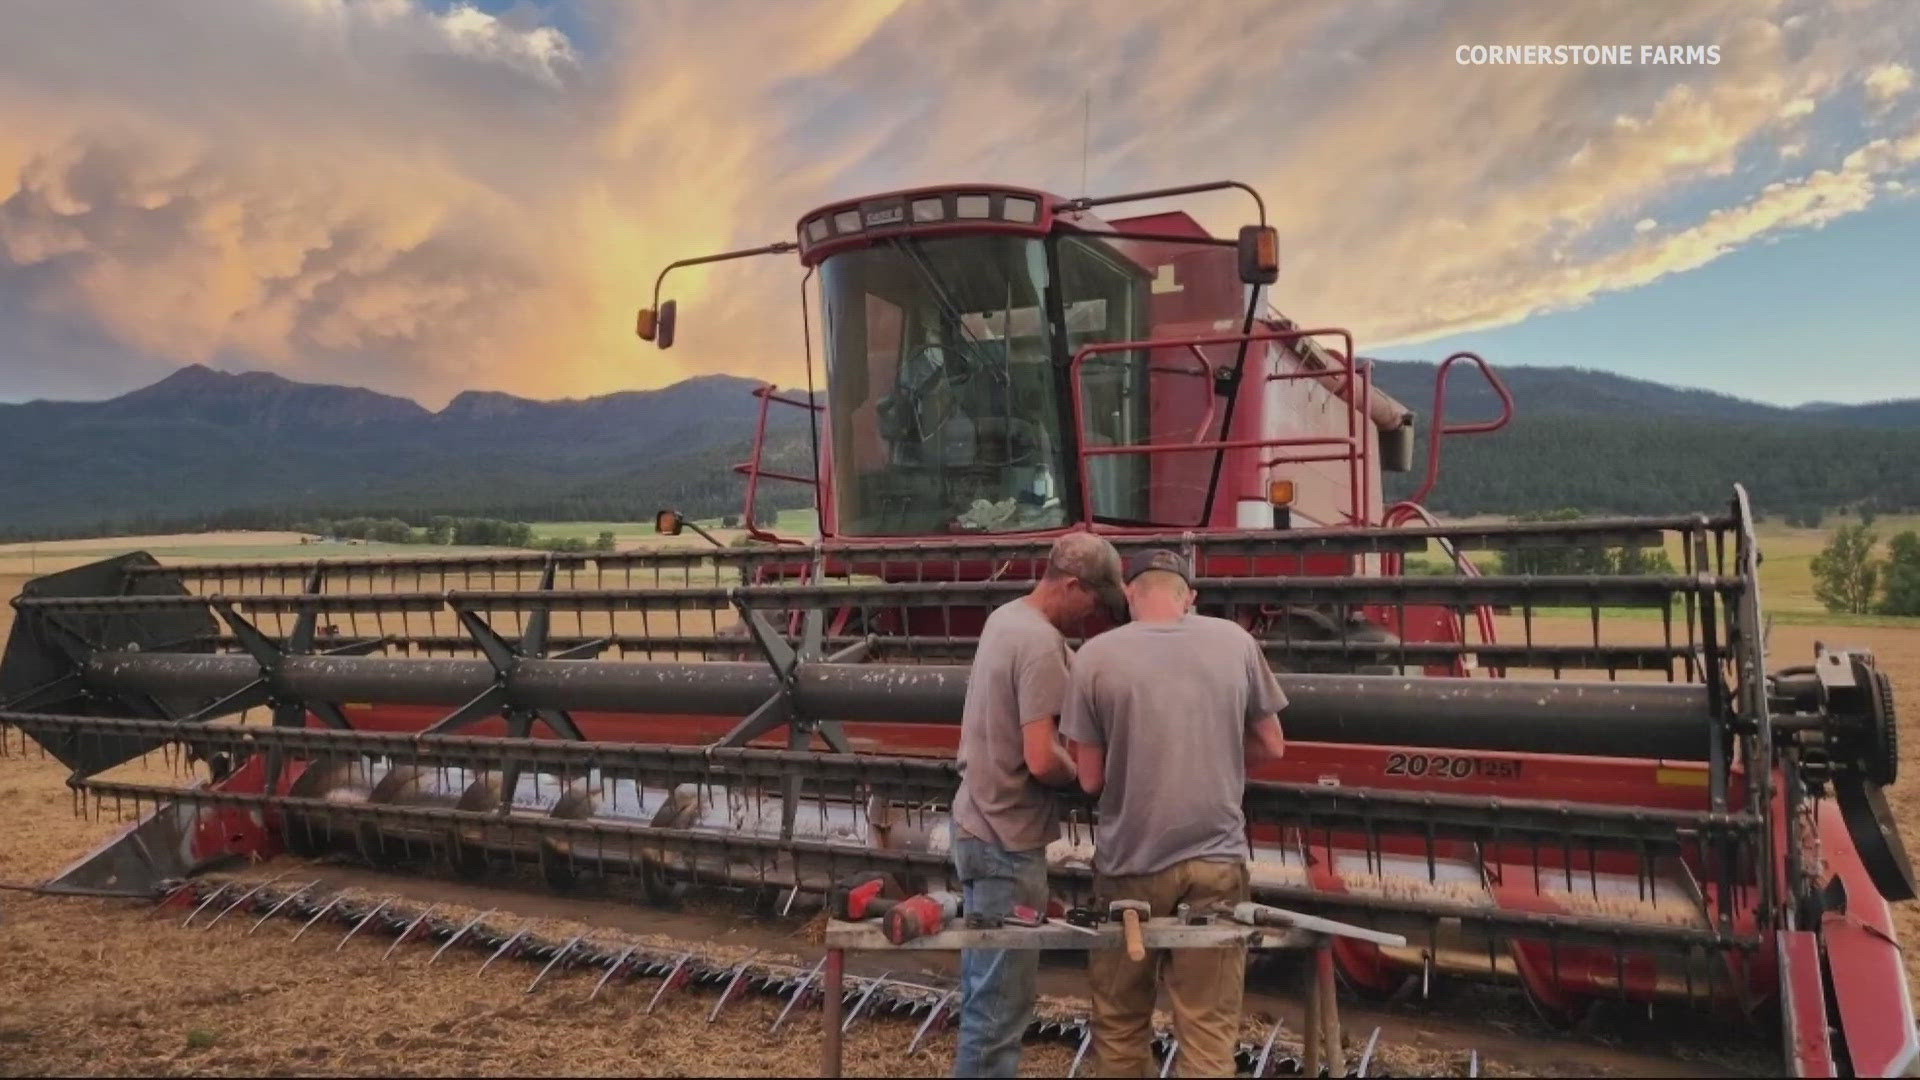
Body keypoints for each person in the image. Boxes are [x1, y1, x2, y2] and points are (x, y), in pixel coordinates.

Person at [1061, 549, 1289, 1078]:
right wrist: (1211, 751)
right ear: (1190, 597)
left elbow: (1090, 779)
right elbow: (1272, 746)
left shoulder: (1095, 656)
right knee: (1208, 1026)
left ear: (1130, 594)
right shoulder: (1236, 642)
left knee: (1121, 1021)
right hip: (1217, 863)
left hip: (1130, 865)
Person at [950, 531, 1127, 1078]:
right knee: (1000, 1008)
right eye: (1093, 601)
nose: (1093, 613)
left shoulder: (1006, 618)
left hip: (975, 820)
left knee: (983, 990)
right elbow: (1042, 757)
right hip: (1007, 838)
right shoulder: (1041, 643)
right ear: (1071, 585)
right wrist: (1088, 779)